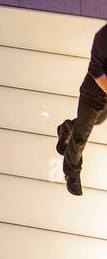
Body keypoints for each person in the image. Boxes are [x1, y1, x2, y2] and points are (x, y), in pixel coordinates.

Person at [56, 22, 107, 196]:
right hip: (92, 94)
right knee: (80, 138)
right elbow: (95, 70)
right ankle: (71, 173)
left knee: (96, 122)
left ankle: (66, 128)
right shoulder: (103, 37)